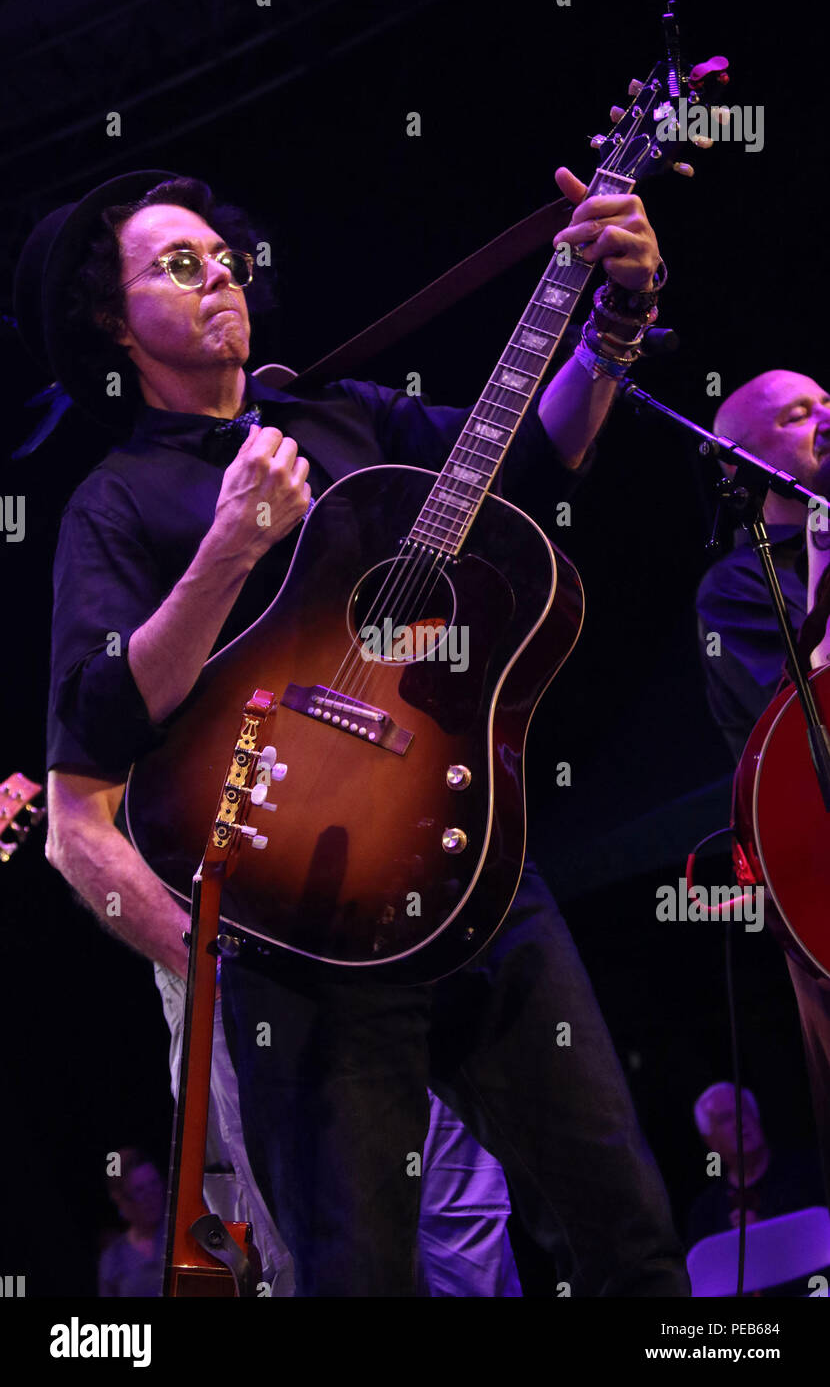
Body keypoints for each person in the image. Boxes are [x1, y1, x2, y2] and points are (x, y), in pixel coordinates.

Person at [22, 166, 690, 1296]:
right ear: (110, 321)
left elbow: (529, 459)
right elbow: (101, 716)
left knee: (627, 1232)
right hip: (299, 937)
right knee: (359, 1276)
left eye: (222, 253)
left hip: (473, 872)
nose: (217, 273)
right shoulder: (117, 500)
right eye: (175, 265)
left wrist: (615, 318)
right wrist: (229, 544)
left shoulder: (349, 414)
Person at [696, 370, 830, 1207]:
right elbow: (791, 728)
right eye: (800, 412)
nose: (827, 416)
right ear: (742, 460)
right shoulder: (743, 588)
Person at [687, 1082, 824, 1247]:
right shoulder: (706, 1212)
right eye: (725, 1119)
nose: (739, 1123)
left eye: (743, 1110)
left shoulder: (811, 1173)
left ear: (756, 1114)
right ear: (710, 1142)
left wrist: (765, 1234)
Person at [98, 1148, 165, 1296]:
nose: (151, 1196)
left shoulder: (181, 1235)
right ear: (123, 1201)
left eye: (154, 1184)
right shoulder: (114, 1257)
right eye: (140, 1190)